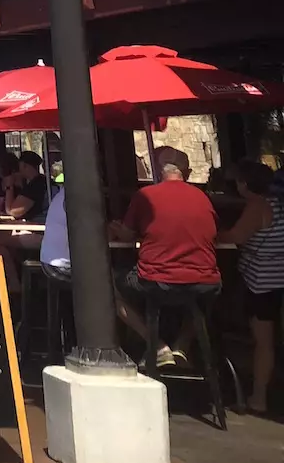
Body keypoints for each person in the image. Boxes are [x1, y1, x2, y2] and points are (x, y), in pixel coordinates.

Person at [108, 147, 220, 369]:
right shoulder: (203, 198)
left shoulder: (146, 196)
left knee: (108, 289)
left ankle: (158, 346)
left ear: (159, 172)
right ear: (186, 173)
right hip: (206, 282)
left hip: (156, 281)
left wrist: (115, 227)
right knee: (201, 301)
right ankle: (182, 346)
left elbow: (128, 236)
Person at [217, 160, 284, 414]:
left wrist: (215, 232)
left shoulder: (258, 206)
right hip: (277, 277)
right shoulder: (277, 203)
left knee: (263, 341)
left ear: (245, 183)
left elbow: (236, 237)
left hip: (262, 282)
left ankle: (259, 398)